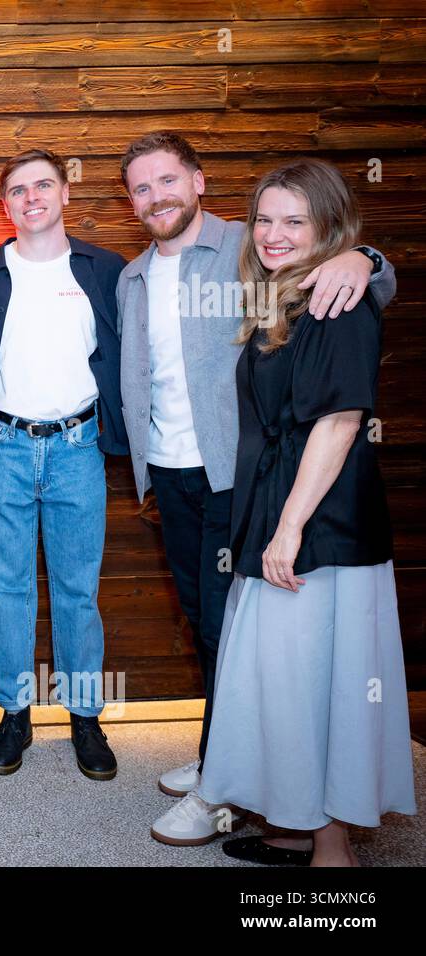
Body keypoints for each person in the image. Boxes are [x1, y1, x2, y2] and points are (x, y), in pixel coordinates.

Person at [116, 133, 398, 847]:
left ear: (199, 181)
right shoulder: (133, 277)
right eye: (141, 187)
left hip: (242, 479)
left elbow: (366, 280)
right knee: (215, 632)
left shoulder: (247, 242)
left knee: (232, 632)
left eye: (168, 180)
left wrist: (361, 257)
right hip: (170, 473)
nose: (157, 196)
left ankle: (221, 792)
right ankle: (232, 763)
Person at [197, 158, 416, 866]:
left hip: (319, 527)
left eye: (294, 221)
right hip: (281, 509)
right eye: (264, 219)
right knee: (286, 683)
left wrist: (288, 528)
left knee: (316, 685)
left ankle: (332, 853)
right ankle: (297, 823)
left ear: (329, 227)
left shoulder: (338, 297)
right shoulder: (285, 297)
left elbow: (339, 421)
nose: (273, 233)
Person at [0, 149, 128, 782]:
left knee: (76, 587)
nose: (30, 197)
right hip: (2, 448)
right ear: (4, 204)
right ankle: (15, 713)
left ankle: (85, 715)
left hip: (76, 447)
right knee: (4, 586)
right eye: (16, 190)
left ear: (65, 193)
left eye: (42, 185)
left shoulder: (105, 270)